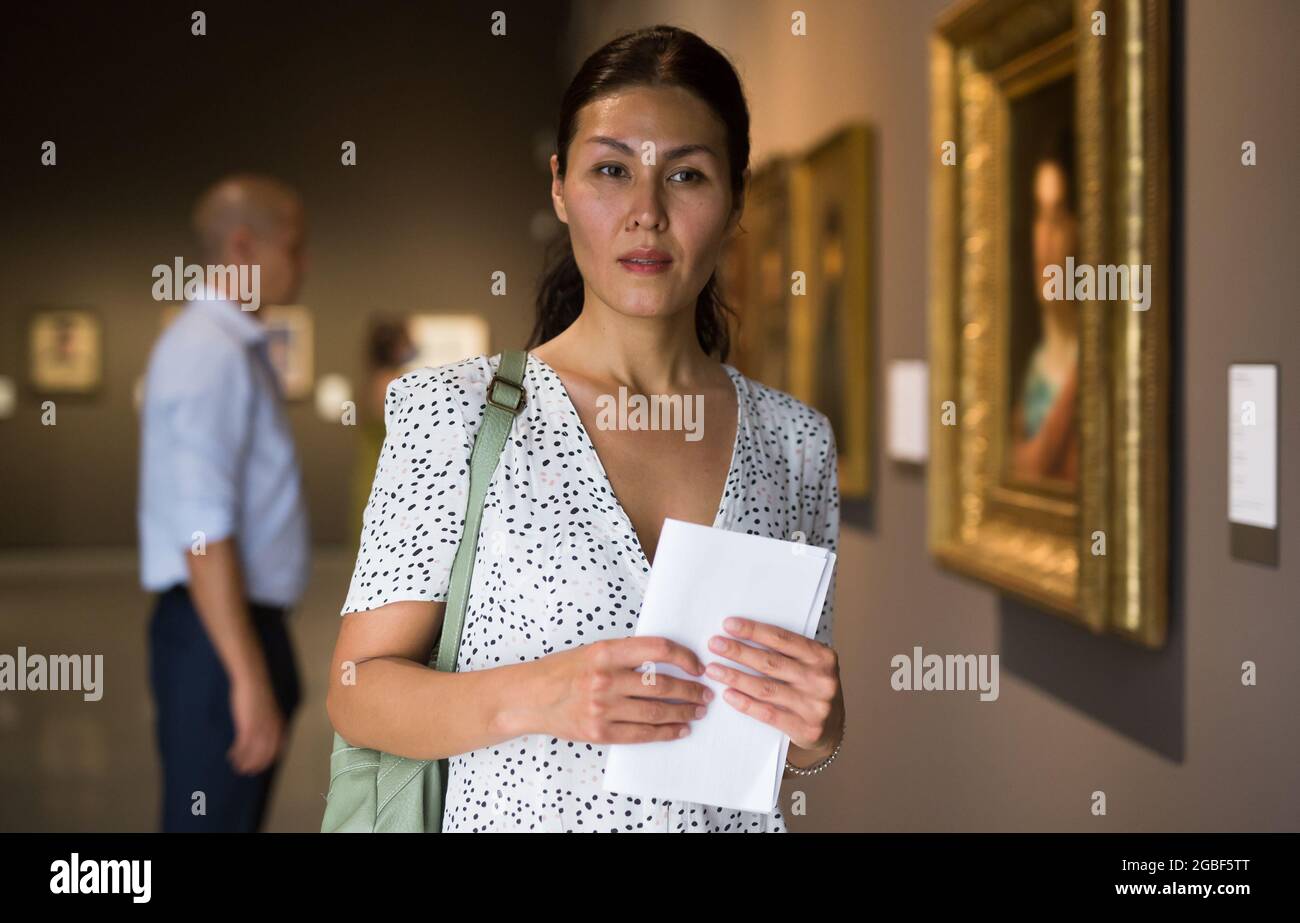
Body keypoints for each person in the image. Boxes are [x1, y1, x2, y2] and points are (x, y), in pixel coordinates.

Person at [328, 25, 844, 833]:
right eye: (612, 170)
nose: (646, 212)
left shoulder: (796, 441)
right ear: (561, 185)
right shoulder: (453, 414)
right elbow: (356, 691)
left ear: (736, 199)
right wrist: (536, 695)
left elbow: (789, 729)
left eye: (687, 175)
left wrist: (823, 728)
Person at [138, 174, 310, 831]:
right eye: (295, 247)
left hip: (236, 626)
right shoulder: (206, 355)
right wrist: (247, 676)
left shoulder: (231, 347)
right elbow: (201, 532)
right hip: (220, 636)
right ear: (242, 247)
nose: (303, 264)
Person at [1011, 129, 1080, 483]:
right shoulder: (1036, 362)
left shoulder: (1091, 368)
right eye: (1040, 215)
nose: (1044, 240)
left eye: (1057, 218)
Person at [350, 320, 416, 543]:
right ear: (396, 347)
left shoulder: (370, 382)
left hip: (371, 474)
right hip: (391, 478)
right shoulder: (394, 384)